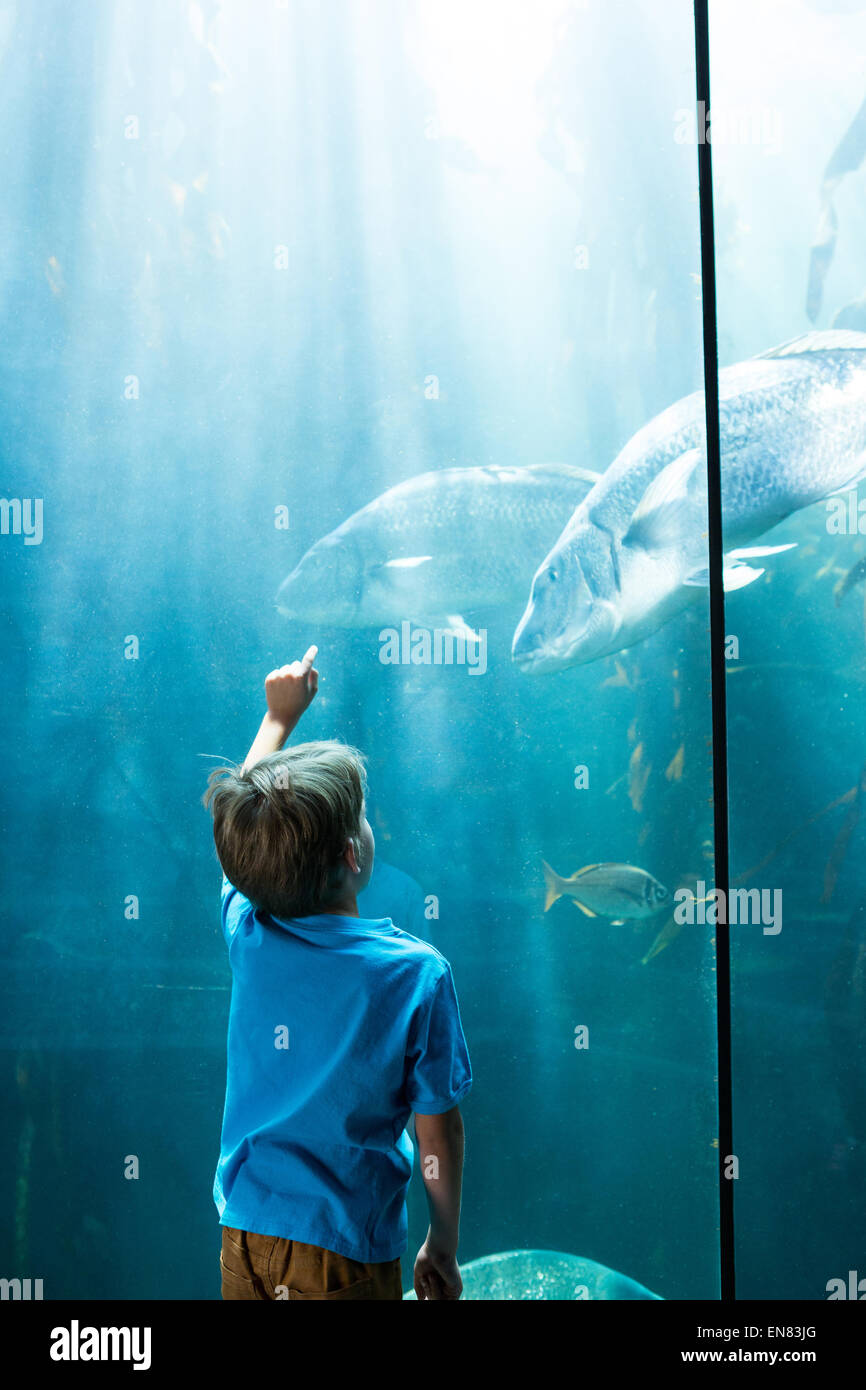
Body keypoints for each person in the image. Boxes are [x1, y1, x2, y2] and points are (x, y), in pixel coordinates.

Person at [203, 646, 471, 1300]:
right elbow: (436, 1129)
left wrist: (277, 718)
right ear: (352, 854)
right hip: (343, 1254)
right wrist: (443, 1240)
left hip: (243, 1237)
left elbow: (238, 843)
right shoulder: (416, 975)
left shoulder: (250, 931)